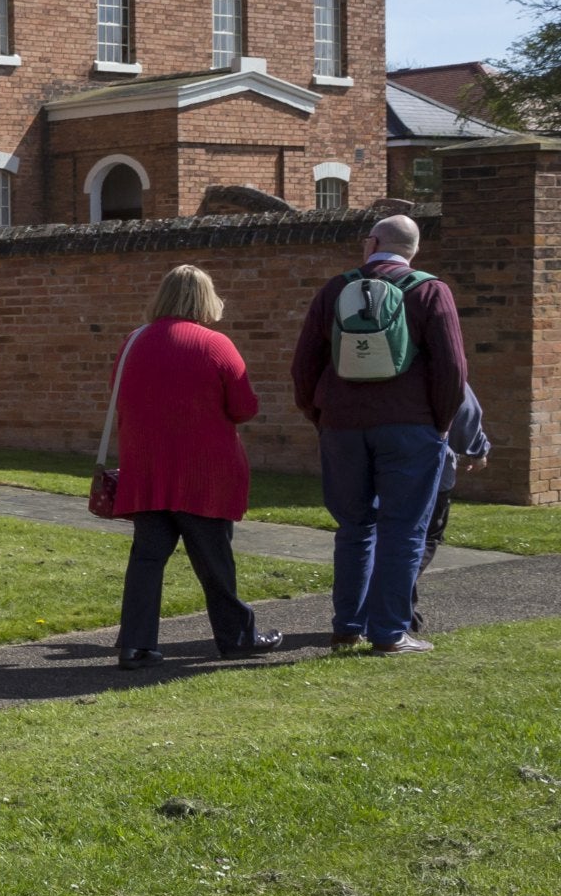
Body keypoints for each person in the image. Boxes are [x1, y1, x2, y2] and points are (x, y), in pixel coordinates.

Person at [289, 215, 470, 655]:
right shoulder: (430, 289)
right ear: (413, 250)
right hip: (412, 426)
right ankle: (390, 632)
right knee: (405, 528)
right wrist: (440, 424)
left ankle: (347, 626)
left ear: (371, 243)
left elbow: (304, 365)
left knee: (353, 527)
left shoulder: (335, 289)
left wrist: (322, 414)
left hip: (341, 426)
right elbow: (452, 370)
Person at [108, 265, 286, 669]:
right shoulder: (215, 345)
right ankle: (237, 637)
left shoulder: (133, 342)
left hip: (147, 468)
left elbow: (119, 396)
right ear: (206, 299)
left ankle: (135, 644)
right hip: (203, 473)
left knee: (147, 559)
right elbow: (243, 408)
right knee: (214, 560)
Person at [413, 384, 489, 634]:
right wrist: (478, 450)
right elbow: (464, 408)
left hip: (377, 464)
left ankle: (360, 616)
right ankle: (396, 607)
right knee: (424, 539)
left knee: (378, 536)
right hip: (431, 466)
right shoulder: (438, 363)